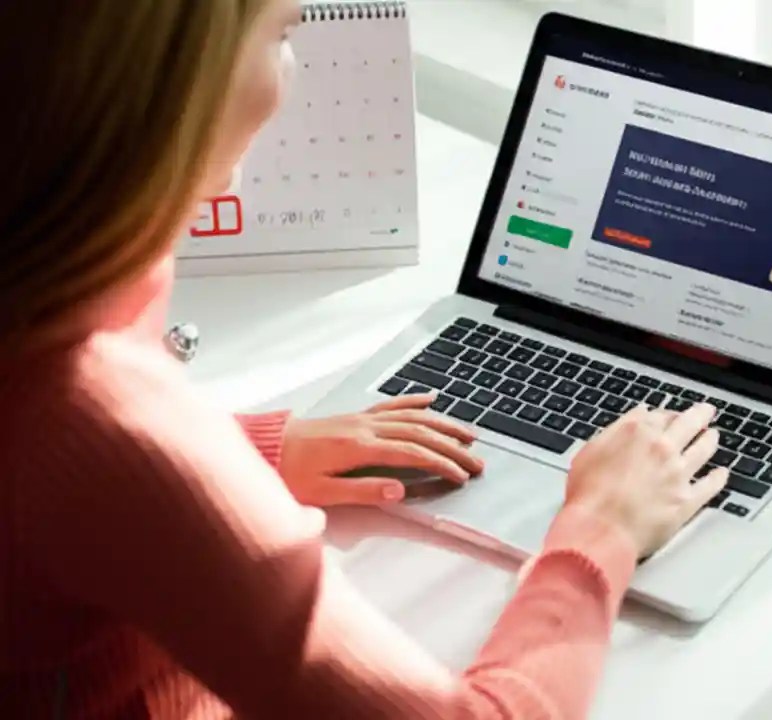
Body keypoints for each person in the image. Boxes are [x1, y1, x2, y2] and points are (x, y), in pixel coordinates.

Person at [0, 1, 730, 717]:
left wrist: (256, 451)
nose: (291, 76)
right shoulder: (112, 430)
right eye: (283, 30)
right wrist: (602, 528)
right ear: (171, 73)